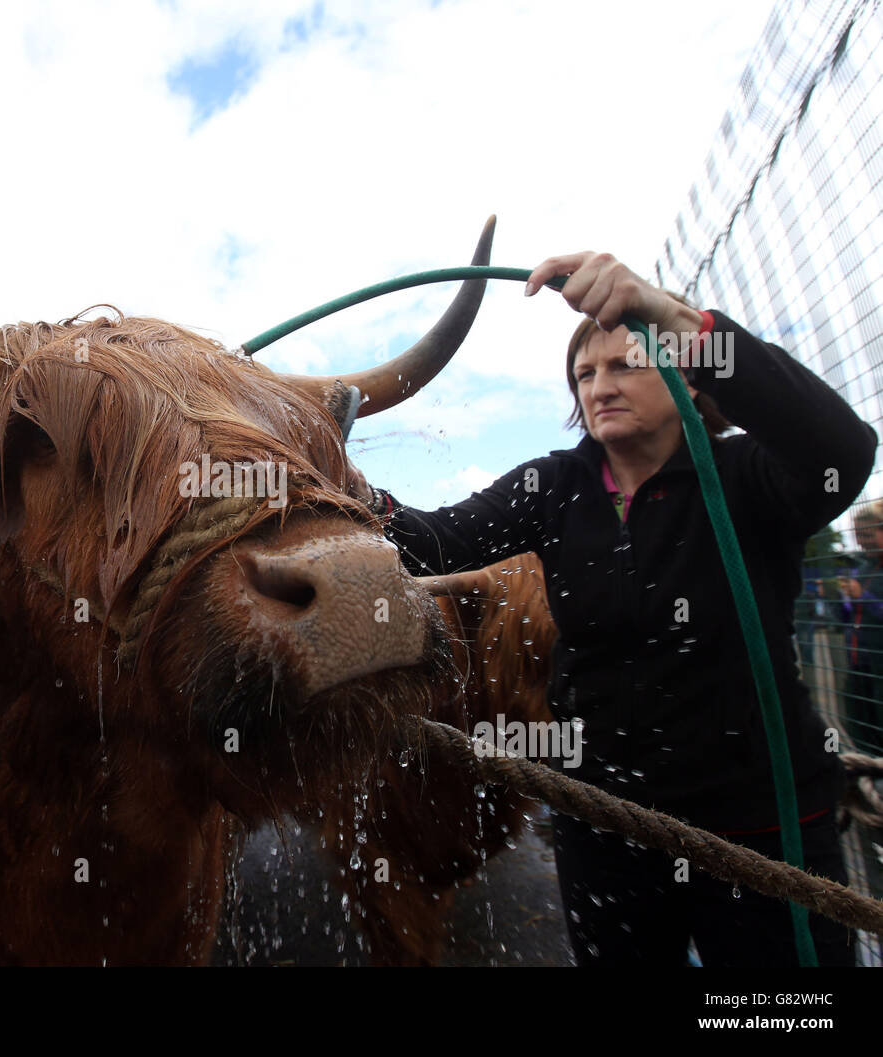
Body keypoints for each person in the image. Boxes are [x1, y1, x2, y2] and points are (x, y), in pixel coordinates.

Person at [361, 251, 877, 967]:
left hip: (763, 824)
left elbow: (845, 450)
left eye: (625, 365)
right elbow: (434, 542)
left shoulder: (753, 478)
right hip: (606, 820)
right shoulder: (552, 485)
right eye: (584, 374)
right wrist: (339, 485)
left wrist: (673, 316)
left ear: (688, 378)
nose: (600, 385)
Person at [839, 500, 883, 754]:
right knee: (857, 718)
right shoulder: (862, 568)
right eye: (858, 536)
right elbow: (848, 618)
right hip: (858, 661)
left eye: (867, 534)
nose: (862, 542)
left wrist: (862, 598)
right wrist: (843, 601)